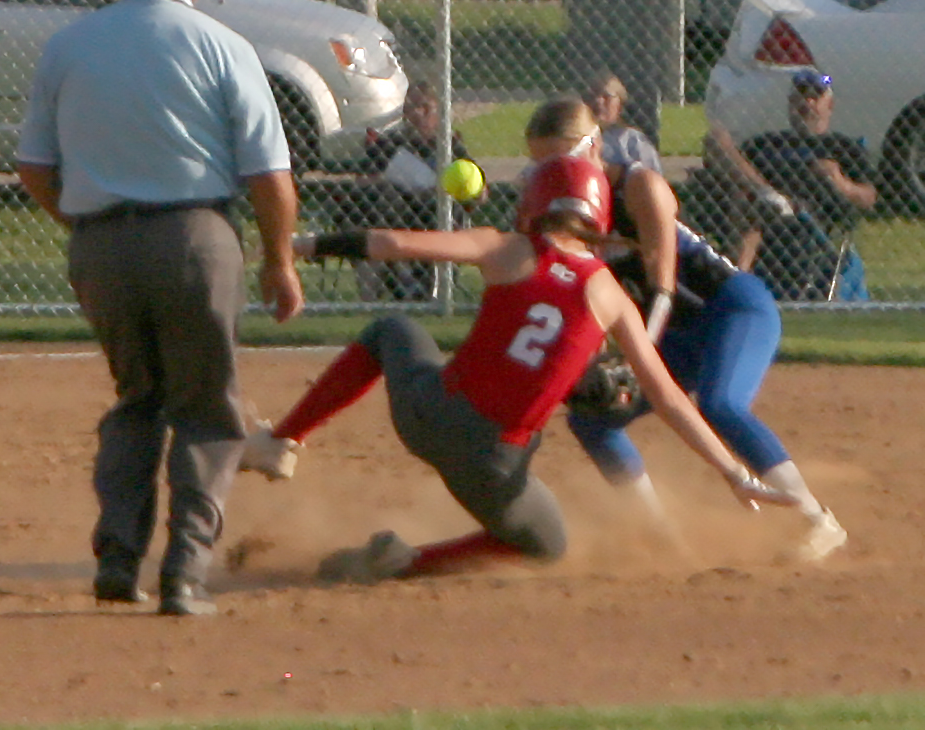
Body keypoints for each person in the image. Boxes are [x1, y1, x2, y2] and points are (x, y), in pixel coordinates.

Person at [240, 155, 790, 584]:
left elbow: (393, 243)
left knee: (392, 331)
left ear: (535, 202)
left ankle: (283, 442)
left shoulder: (503, 247)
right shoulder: (611, 294)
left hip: (430, 415)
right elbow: (669, 399)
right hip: (495, 466)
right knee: (546, 546)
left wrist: (300, 245)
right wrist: (735, 474)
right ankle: (409, 563)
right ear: (598, 215)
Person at [15, 0, 305, 616]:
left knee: (136, 401)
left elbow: (33, 167)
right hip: (194, 240)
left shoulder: (71, 44)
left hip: (100, 246)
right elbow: (269, 178)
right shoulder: (224, 47)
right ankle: (185, 571)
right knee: (207, 411)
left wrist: (83, 227)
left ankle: (118, 559)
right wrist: (279, 261)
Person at [521, 96, 847, 562]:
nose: (550, 173)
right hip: (676, 334)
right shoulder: (560, 212)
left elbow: (663, 289)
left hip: (732, 309)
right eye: (540, 165)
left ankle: (816, 520)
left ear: (594, 147)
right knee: (592, 419)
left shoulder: (640, 185)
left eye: (560, 159)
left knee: (721, 403)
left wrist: (641, 358)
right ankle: (657, 531)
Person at [705, 68, 876, 300]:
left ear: (830, 106)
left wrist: (841, 182)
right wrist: (762, 191)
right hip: (758, 200)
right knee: (717, 139)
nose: (807, 101)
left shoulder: (843, 147)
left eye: (816, 96)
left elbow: (869, 198)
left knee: (758, 213)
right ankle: (768, 197)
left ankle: (736, 288)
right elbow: (723, 161)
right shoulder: (766, 143)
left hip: (807, 222)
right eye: (801, 95)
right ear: (789, 102)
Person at [347, 80, 484, 300]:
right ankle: (385, 288)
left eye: (425, 107)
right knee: (376, 200)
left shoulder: (450, 145)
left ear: (438, 111)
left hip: (434, 214)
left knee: (448, 210)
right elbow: (362, 182)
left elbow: (479, 192)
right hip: (397, 213)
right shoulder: (390, 144)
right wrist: (385, 181)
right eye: (412, 107)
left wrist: (451, 191)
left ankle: (436, 292)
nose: (418, 113)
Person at [585, 68, 662, 173]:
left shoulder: (632, 140)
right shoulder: (579, 139)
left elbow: (651, 177)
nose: (598, 101)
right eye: (592, 95)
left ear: (619, 104)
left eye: (606, 96)